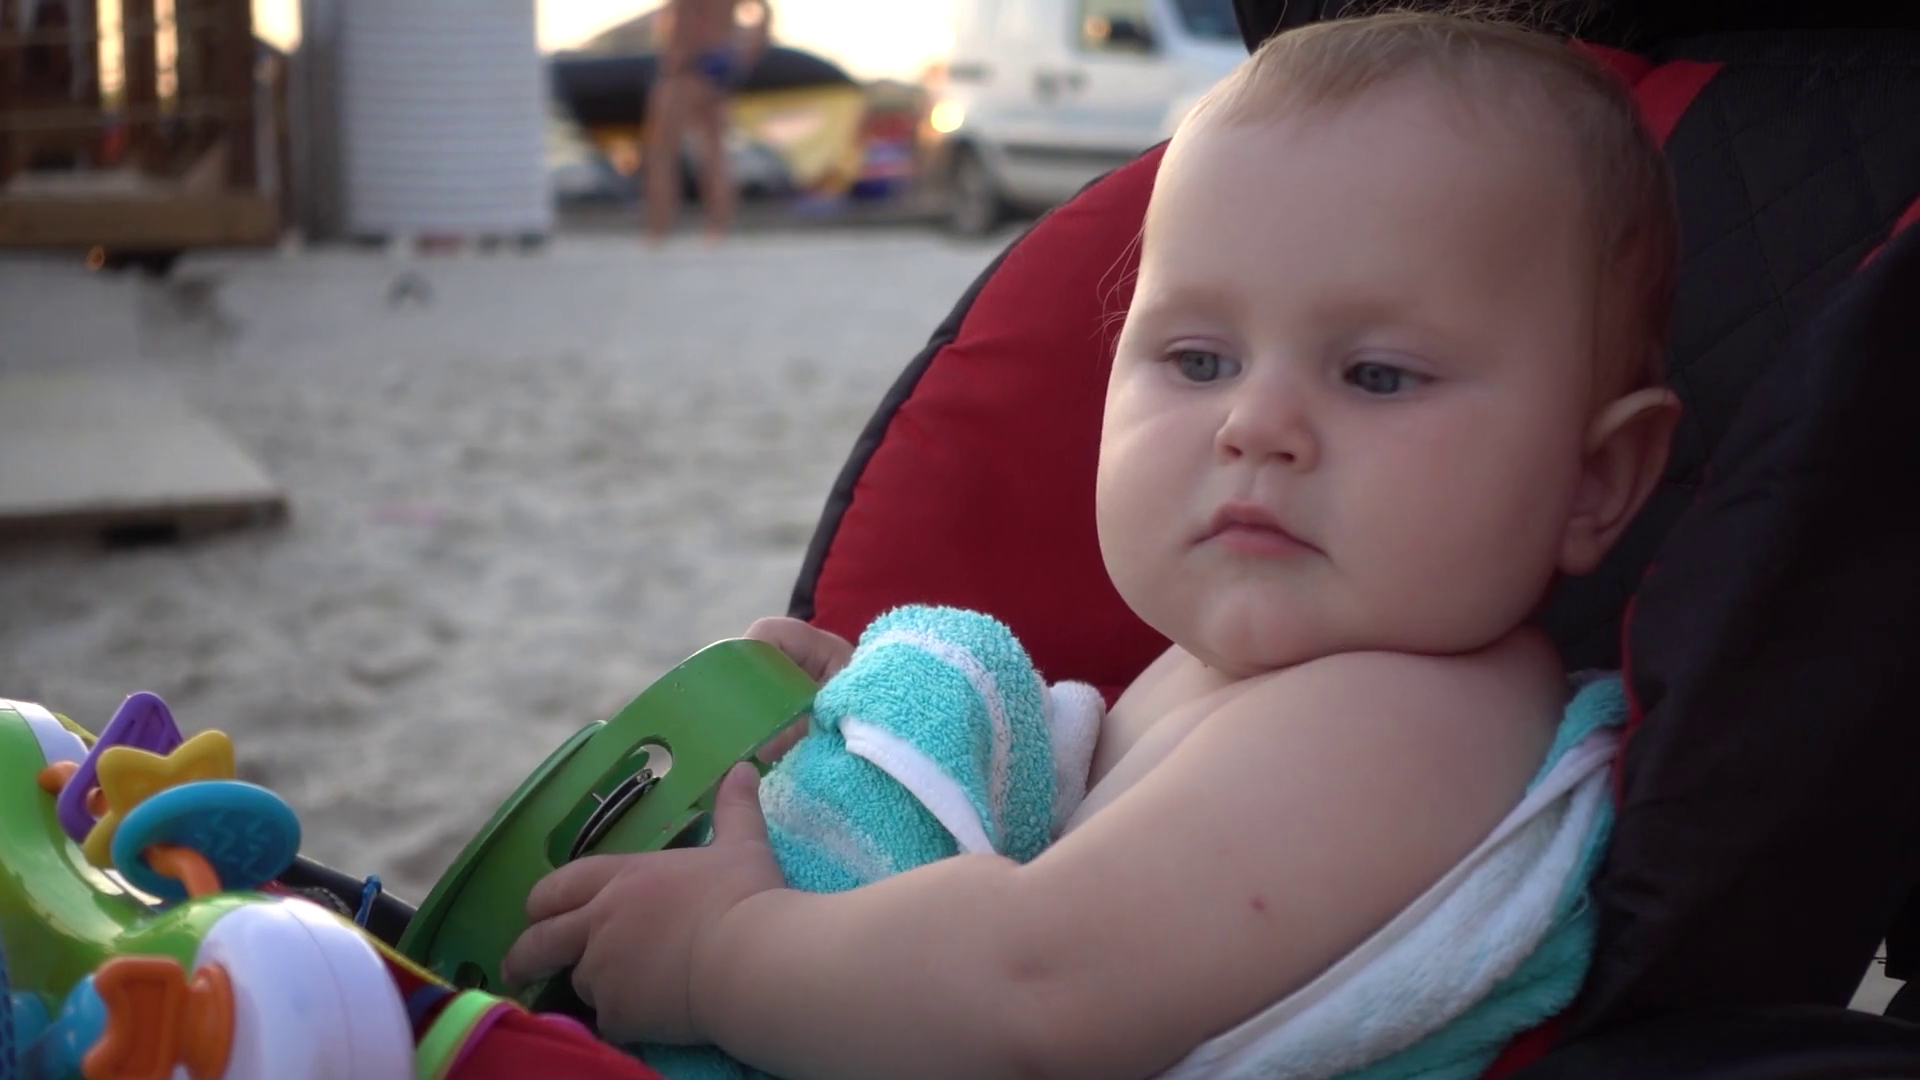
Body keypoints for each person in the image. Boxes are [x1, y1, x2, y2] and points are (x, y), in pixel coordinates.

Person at [503, 10, 1684, 1078]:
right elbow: (1061, 847)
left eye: (1377, 374)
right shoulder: (1243, 675)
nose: (1253, 423)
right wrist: (881, 734)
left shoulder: (1413, 721)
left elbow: (1034, 991)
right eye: (1199, 359)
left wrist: (723, 951)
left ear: (1595, 481)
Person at [644, 0, 773, 244]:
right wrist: (743, 56)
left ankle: (658, 228)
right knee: (715, 154)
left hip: (685, 68)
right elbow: (765, 12)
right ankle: (718, 228)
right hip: (716, 68)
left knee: (662, 153)